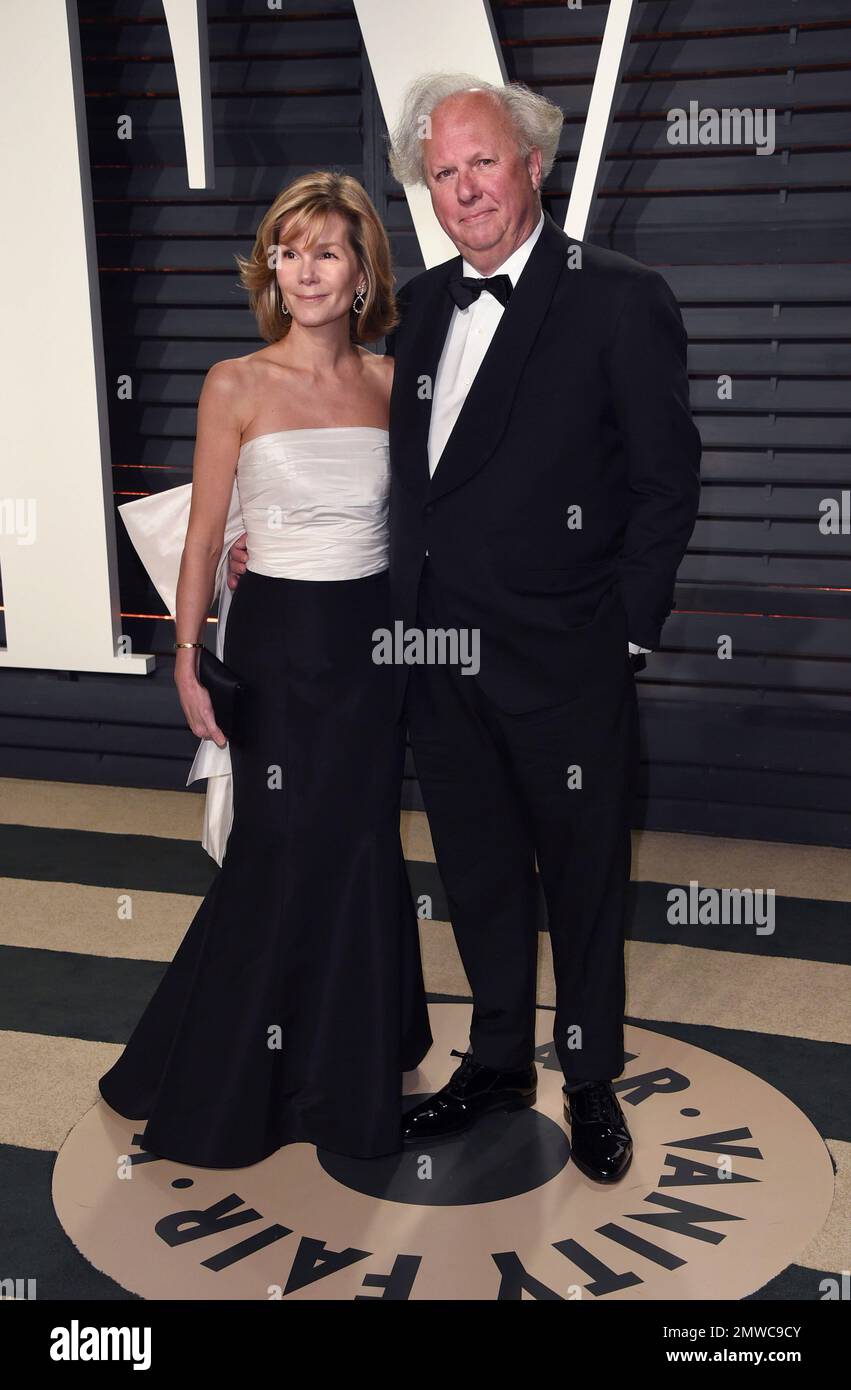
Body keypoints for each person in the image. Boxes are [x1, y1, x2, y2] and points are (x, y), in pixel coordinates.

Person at [228, 75, 702, 1184]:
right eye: (440, 173)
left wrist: (621, 631)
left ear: (532, 165)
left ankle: (587, 1079)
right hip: (433, 660)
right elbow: (403, 480)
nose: (462, 188)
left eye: (480, 162)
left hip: (564, 657)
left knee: (581, 877)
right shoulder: (425, 309)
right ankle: (495, 1063)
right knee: (479, 871)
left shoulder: (618, 296)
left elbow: (664, 480)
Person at [98, 171, 432, 1168]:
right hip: (279, 647)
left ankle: (348, 1067)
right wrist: (188, 657)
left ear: (362, 267)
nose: (304, 269)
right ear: (269, 266)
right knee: (277, 850)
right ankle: (221, 1079)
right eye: (288, 250)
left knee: (362, 847)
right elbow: (204, 535)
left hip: (373, 647)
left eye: (326, 250)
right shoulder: (234, 382)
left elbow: (422, 519)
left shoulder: (389, 380)